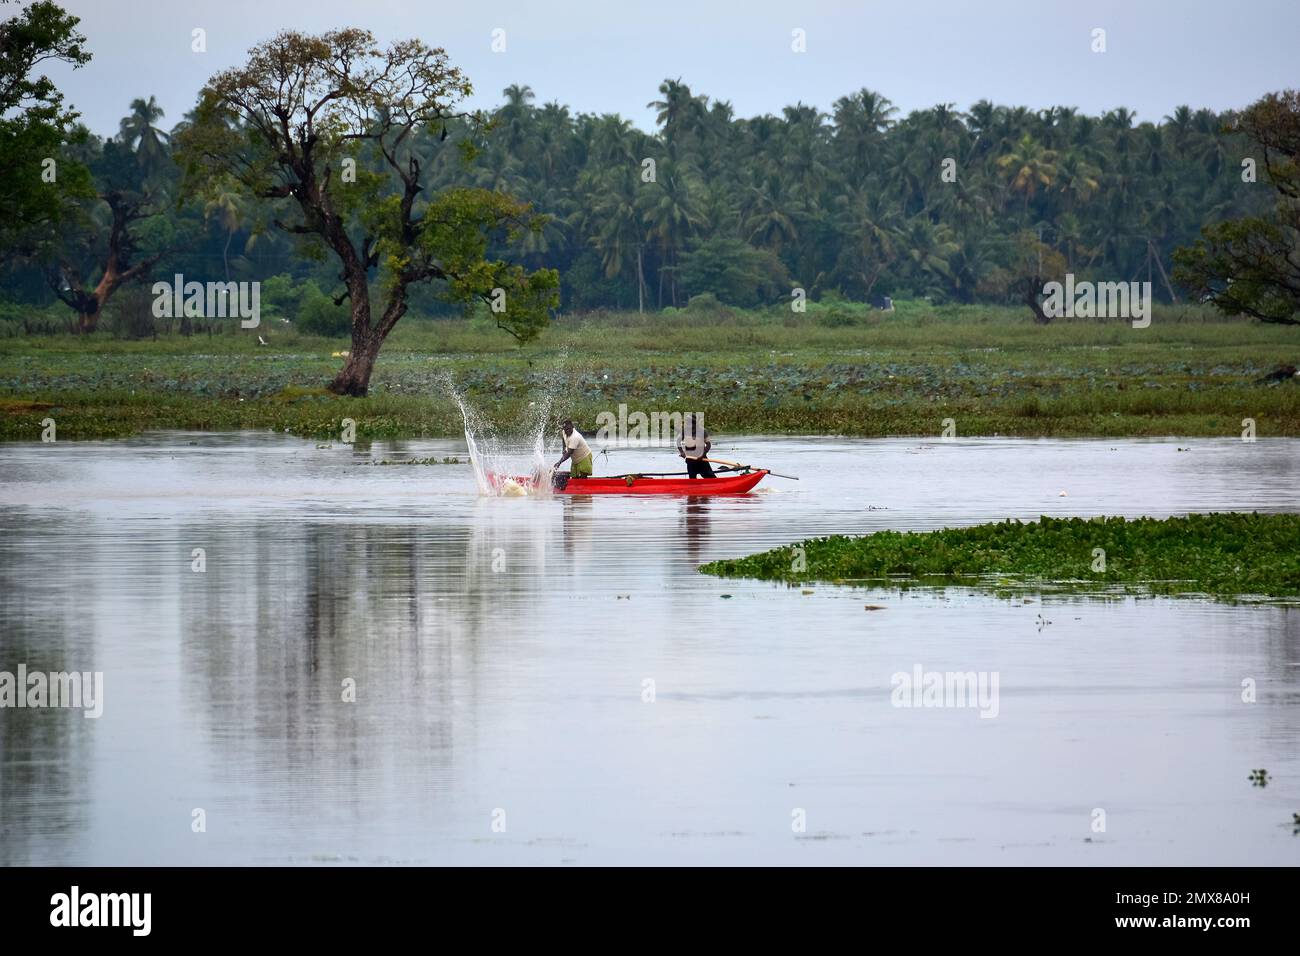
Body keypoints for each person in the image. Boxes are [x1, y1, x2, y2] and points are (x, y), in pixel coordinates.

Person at [677, 414, 714, 478]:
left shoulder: (702, 431)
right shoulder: (684, 431)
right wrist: (682, 452)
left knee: (710, 477)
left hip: (702, 459)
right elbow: (678, 442)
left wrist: (703, 454)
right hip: (690, 459)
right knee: (692, 478)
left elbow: (708, 444)